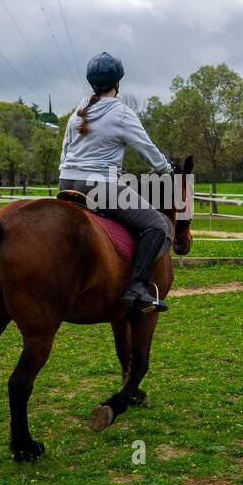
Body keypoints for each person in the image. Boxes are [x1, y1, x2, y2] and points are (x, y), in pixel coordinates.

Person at [59, 52, 175, 313]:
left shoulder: (77, 113)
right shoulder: (121, 114)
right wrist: (165, 167)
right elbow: (147, 150)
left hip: (66, 183)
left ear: (91, 83)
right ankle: (136, 288)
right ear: (117, 82)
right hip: (101, 188)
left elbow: (64, 153)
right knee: (157, 225)